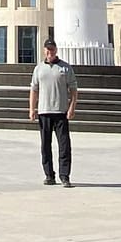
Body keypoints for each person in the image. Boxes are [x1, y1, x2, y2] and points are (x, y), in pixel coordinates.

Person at [29, 39, 76, 186]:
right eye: (48, 50)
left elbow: (73, 90)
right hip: (44, 111)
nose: (50, 53)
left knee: (64, 145)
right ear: (44, 50)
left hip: (61, 111)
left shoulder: (65, 68)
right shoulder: (39, 69)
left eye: (52, 50)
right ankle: (49, 175)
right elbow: (34, 89)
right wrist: (32, 109)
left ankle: (64, 175)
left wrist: (72, 107)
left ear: (56, 50)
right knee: (45, 145)